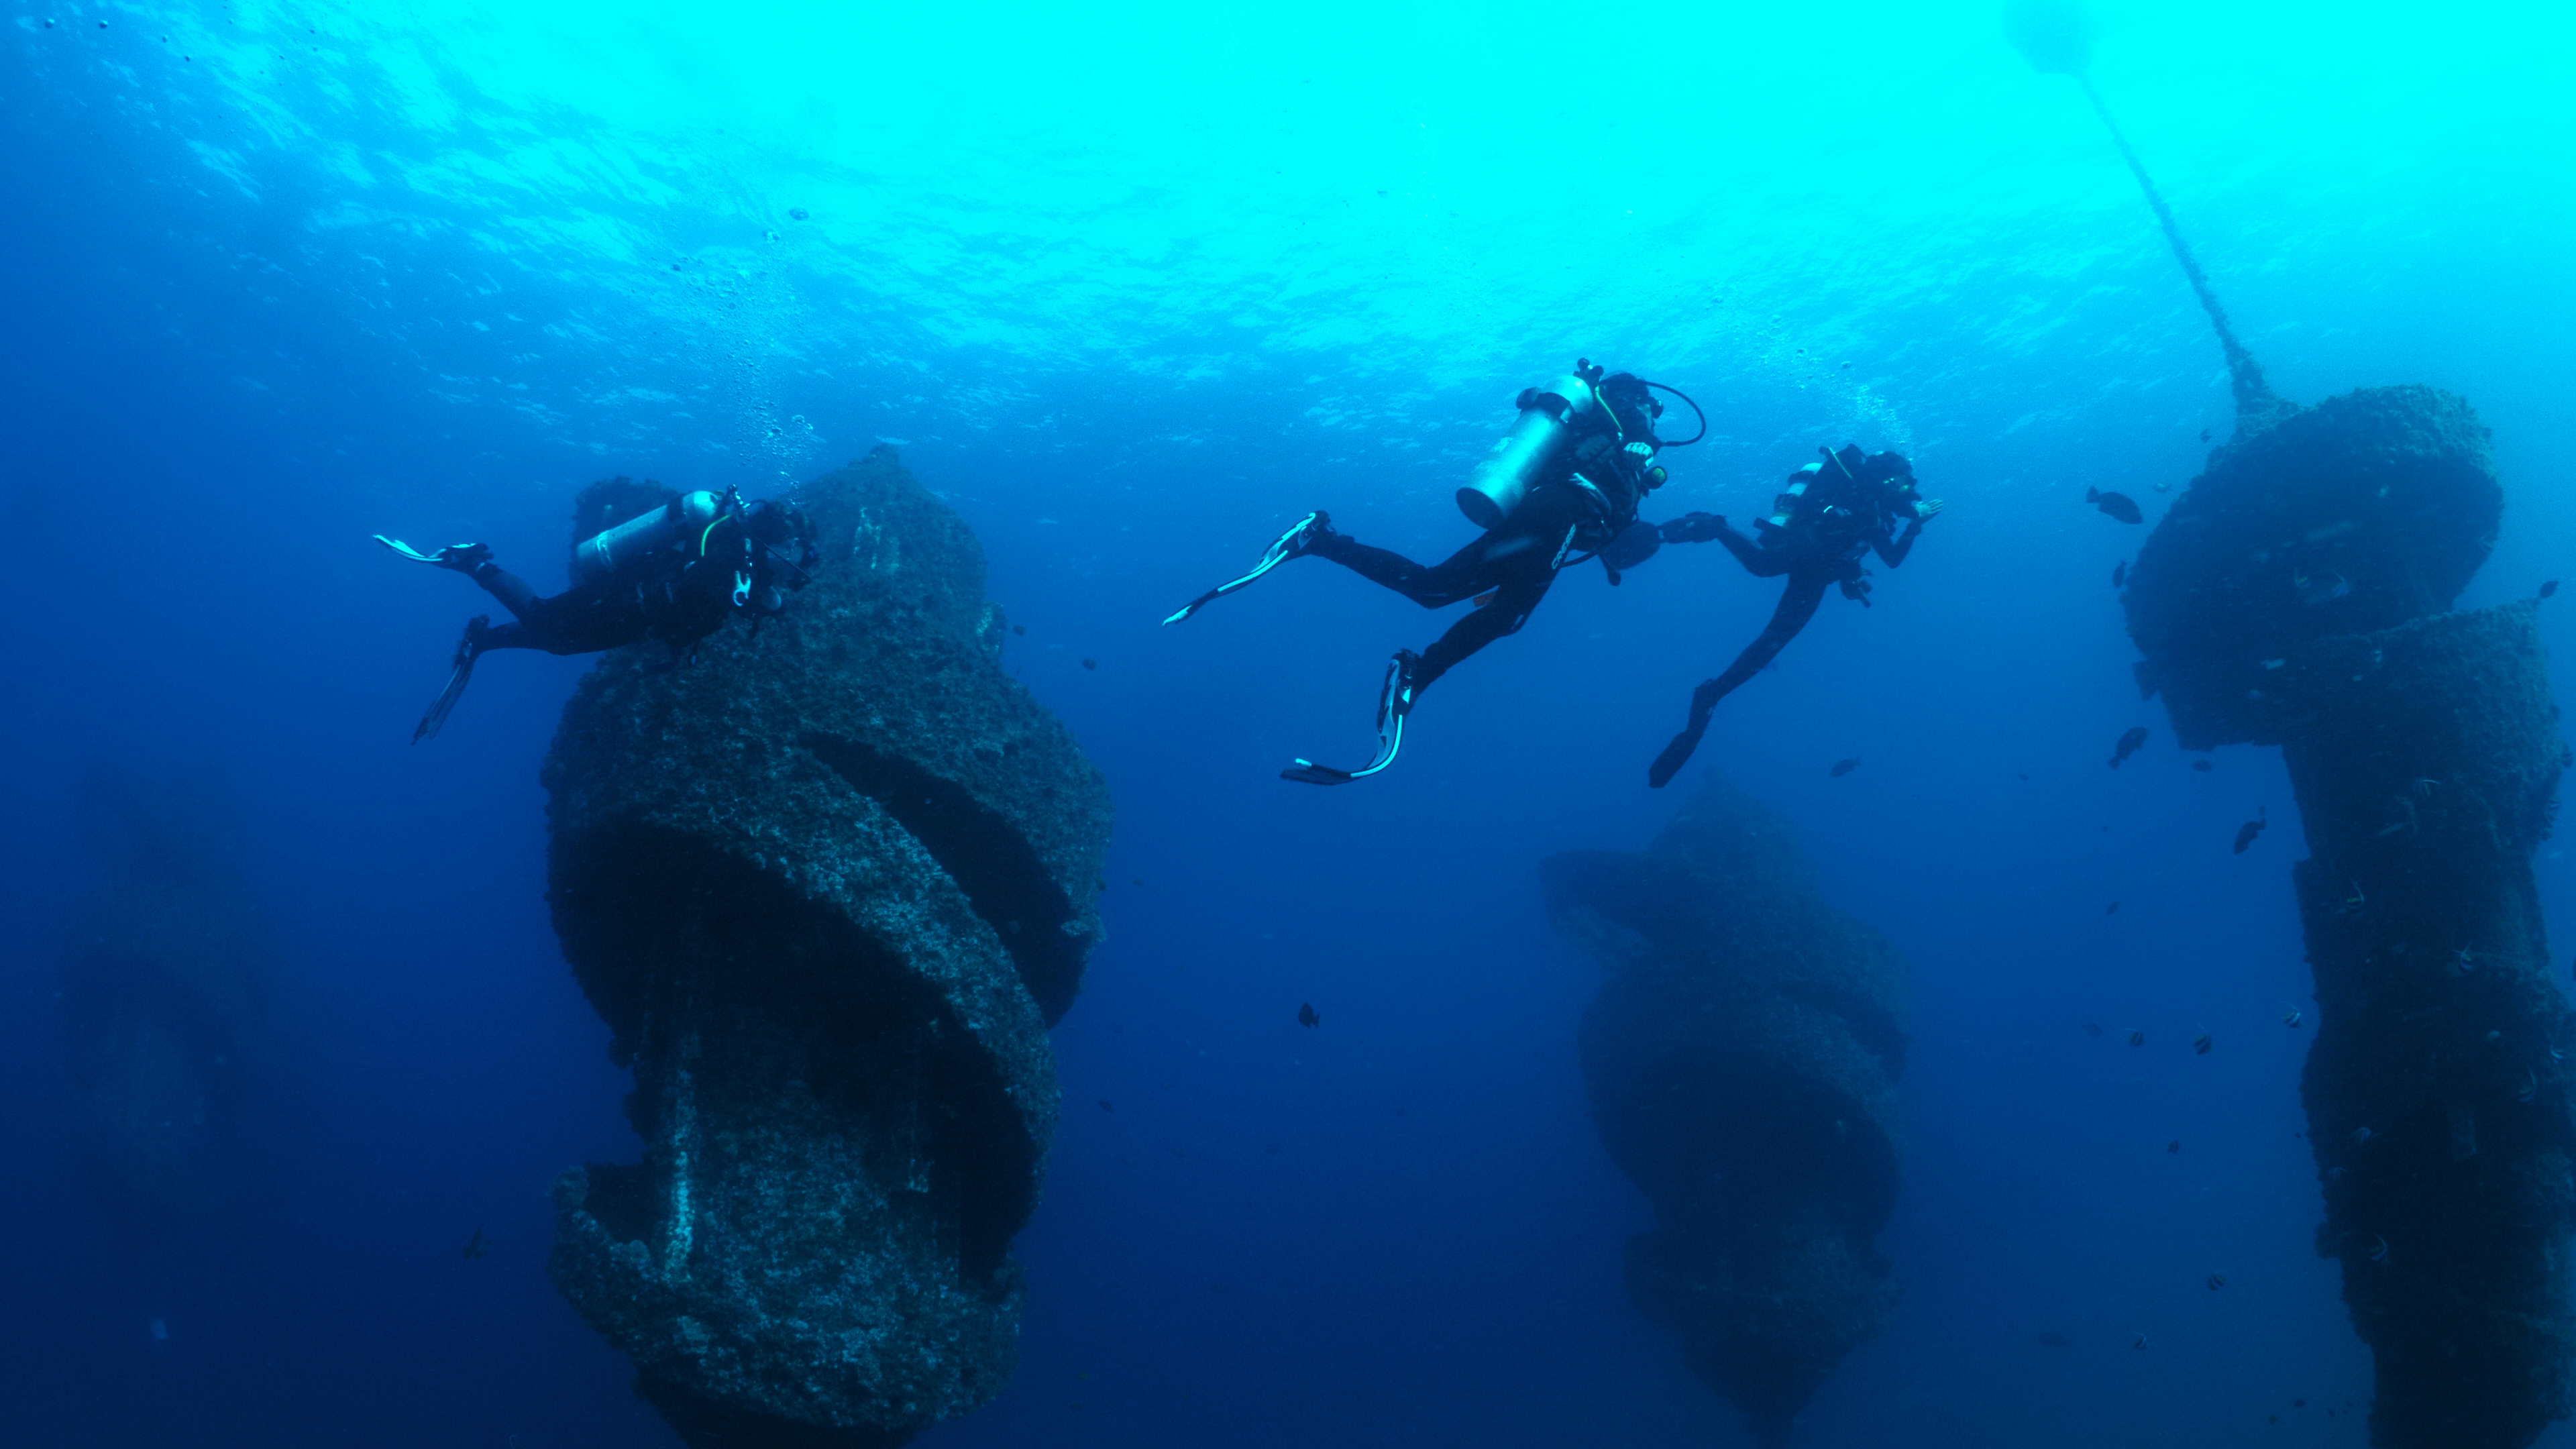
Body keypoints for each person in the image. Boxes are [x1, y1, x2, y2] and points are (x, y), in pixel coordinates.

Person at [1164, 364, 1694, 784]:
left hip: (1557, 518)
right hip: (1559, 511)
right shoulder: (1627, 414)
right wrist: (1640, 437)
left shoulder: (1606, 426)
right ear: (1639, 398)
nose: (1654, 413)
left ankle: (1324, 548)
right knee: (1463, 599)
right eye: (1652, 406)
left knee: (1441, 591)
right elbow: (1620, 462)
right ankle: (1403, 651)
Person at [376, 477, 816, 743]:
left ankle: (485, 638)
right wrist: (753, 594)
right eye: (796, 548)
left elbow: (747, 598)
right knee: (545, 619)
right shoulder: (732, 553)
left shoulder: (747, 561)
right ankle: (472, 562)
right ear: (778, 539)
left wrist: (761, 595)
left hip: (639, 621)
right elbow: (713, 585)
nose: (797, 559)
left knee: (559, 645)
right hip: (627, 597)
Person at [1645, 445, 1941, 788]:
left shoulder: (1874, 508)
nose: (1908, 487)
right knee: (1761, 565)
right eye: (1905, 480)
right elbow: (1872, 489)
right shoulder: (1862, 479)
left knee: (1774, 642)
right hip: (1807, 541)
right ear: (1890, 474)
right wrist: (1908, 508)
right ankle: (1714, 526)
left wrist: (1913, 525)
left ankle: (1714, 693)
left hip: (1818, 570)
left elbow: (1891, 559)